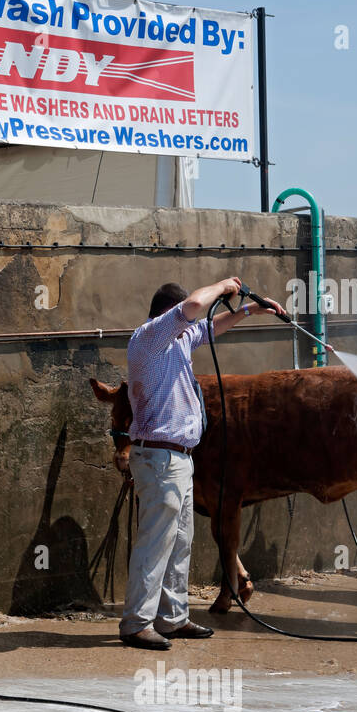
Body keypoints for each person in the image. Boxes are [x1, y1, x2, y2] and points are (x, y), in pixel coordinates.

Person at [119, 278, 286, 650]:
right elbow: (195, 308)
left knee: (180, 542)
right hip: (160, 455)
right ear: (167, 315)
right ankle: (136, 623)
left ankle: (173, 618)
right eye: (183, 320)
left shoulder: (178, 341)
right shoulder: (150, 336)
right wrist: (224, 285)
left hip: (178, 458)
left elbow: (210, 327)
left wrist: (249, 310)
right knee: (155, 543)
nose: (191, 327)